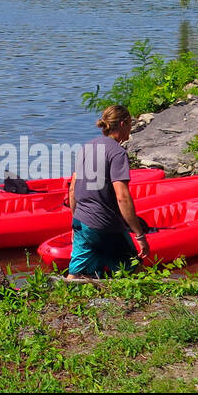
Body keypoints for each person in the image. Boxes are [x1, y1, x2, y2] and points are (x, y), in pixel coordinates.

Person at [64, 105, 150, 278]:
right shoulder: (117, 153)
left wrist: (75, 222)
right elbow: (122, 197)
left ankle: (60, 299)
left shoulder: (86, 148)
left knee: (76, 274)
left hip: (81, 220)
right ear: (124, 123)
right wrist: (139, 234)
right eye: (131, 124)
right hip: (105, 224)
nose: (131, 129)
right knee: (135, 272)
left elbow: (72, 189)